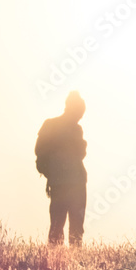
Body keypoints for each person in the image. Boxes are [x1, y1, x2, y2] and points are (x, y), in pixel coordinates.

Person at [35, 91, 88, 246]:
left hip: (60, 183)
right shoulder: (74, 129)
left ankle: (56, 261)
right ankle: (69, 260)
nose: (80, 117)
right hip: (74, 184)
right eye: (80, 113)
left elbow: (40, 154)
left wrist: (50, 176)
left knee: (57, 226)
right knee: (75, 228)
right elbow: (81, 153)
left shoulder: (50, 125)